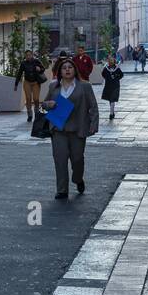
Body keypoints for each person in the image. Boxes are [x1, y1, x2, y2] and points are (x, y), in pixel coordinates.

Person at [42, 58, 99, 199]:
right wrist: (49, 104)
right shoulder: (54, 86)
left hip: (78, 129)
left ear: (75, 70)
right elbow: (44, 104)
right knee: (60, 160)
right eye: (64, 68)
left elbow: (93, 107)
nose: (67, 70)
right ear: (60, 71)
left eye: (70, 67)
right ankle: (62, 190)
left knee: (77, 160)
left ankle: (78, 179)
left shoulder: (84, 86)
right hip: (58, 129)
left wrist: (93, 125)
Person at [14, 49, 47, 121]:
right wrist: (16, 84)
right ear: (25, 56)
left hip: (36, 82)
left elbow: (43, 69)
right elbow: (19, 73)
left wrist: (39, 69)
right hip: (27, 82)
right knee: (28, 98)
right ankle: (29, 115)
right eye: (26, 55)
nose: (28, 56)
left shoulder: (36, 61)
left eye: (29, 55)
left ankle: (37, 113)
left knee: (36, 99)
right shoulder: (23, 63)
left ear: (32, 55)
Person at [100, 55, 124, 121]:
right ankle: (112, 112)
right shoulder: (106, 68)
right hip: (108, 86)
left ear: (114, 61)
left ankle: (110, 114)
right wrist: (107, 79)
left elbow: (121, 75)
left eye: (112, 60)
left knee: (113, 99)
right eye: (109, 60)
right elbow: (103, 74)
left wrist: (116, 78)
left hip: (115, 86)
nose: (111, 62)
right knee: (110, 100)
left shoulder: (117, 68)